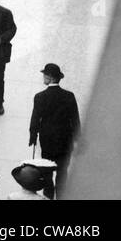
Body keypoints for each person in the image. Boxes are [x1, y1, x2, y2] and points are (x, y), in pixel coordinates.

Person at [29, 63, 80, 194]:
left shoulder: (40, 97)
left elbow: (35, 119)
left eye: (44, 75)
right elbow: (75, 119)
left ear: (50, 78)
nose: (43, 78)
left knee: (47, 171)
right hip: (65, 139)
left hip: (47, 140)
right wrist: (77, 138)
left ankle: (48, 195)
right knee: (62, 172)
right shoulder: (69, 96)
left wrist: (33, 137)